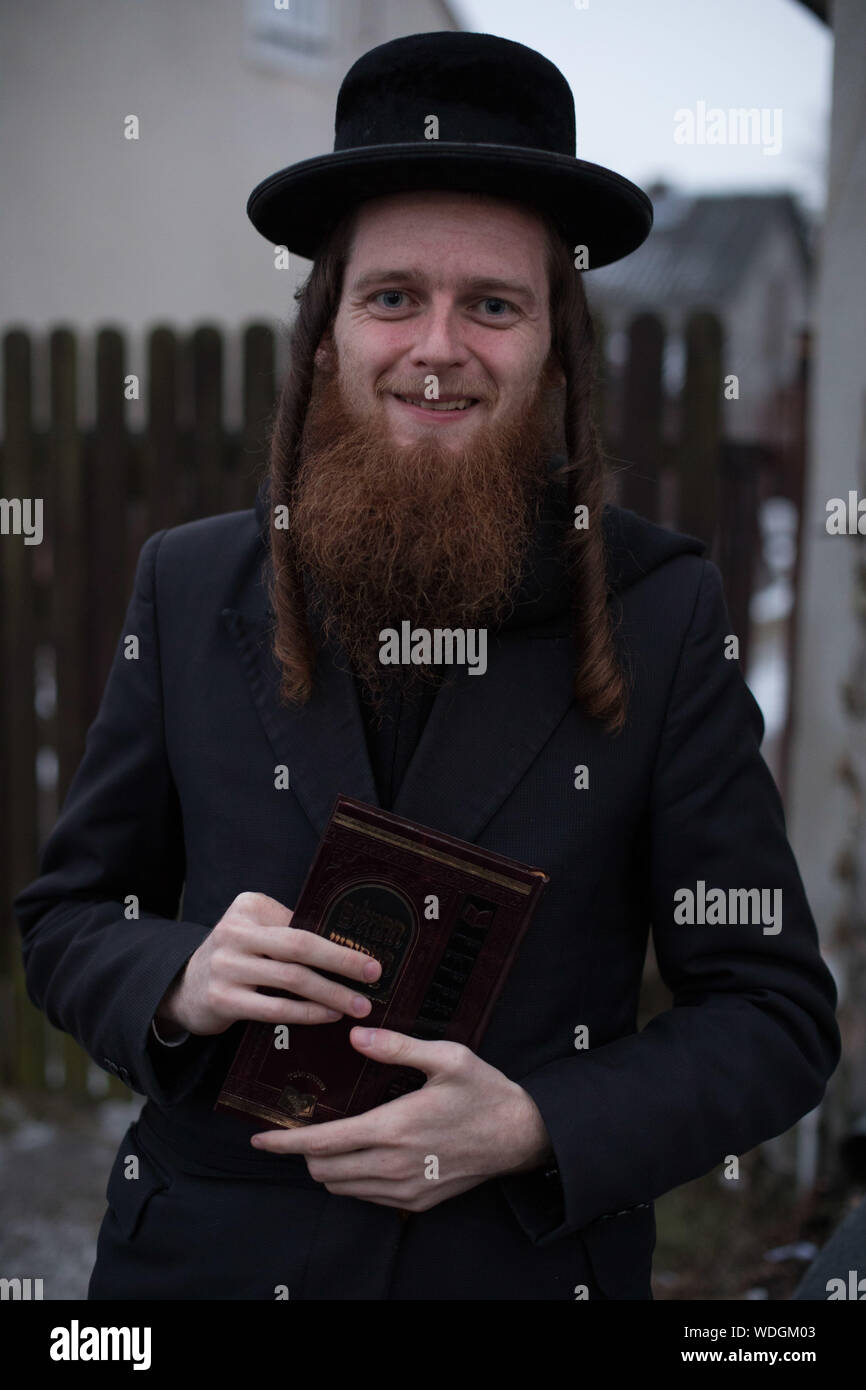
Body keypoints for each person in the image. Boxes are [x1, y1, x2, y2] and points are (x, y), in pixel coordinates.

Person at [13, 30, 840, 1302]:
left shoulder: (657, 612)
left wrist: (536, 1123)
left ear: (552, 346)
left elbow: (774, 1016)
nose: (437, 346)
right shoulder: (189, 586)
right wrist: (171, 974)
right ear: (327, 331)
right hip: (206, 1268)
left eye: (491, 305)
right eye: (392, 294)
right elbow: (67, 919)